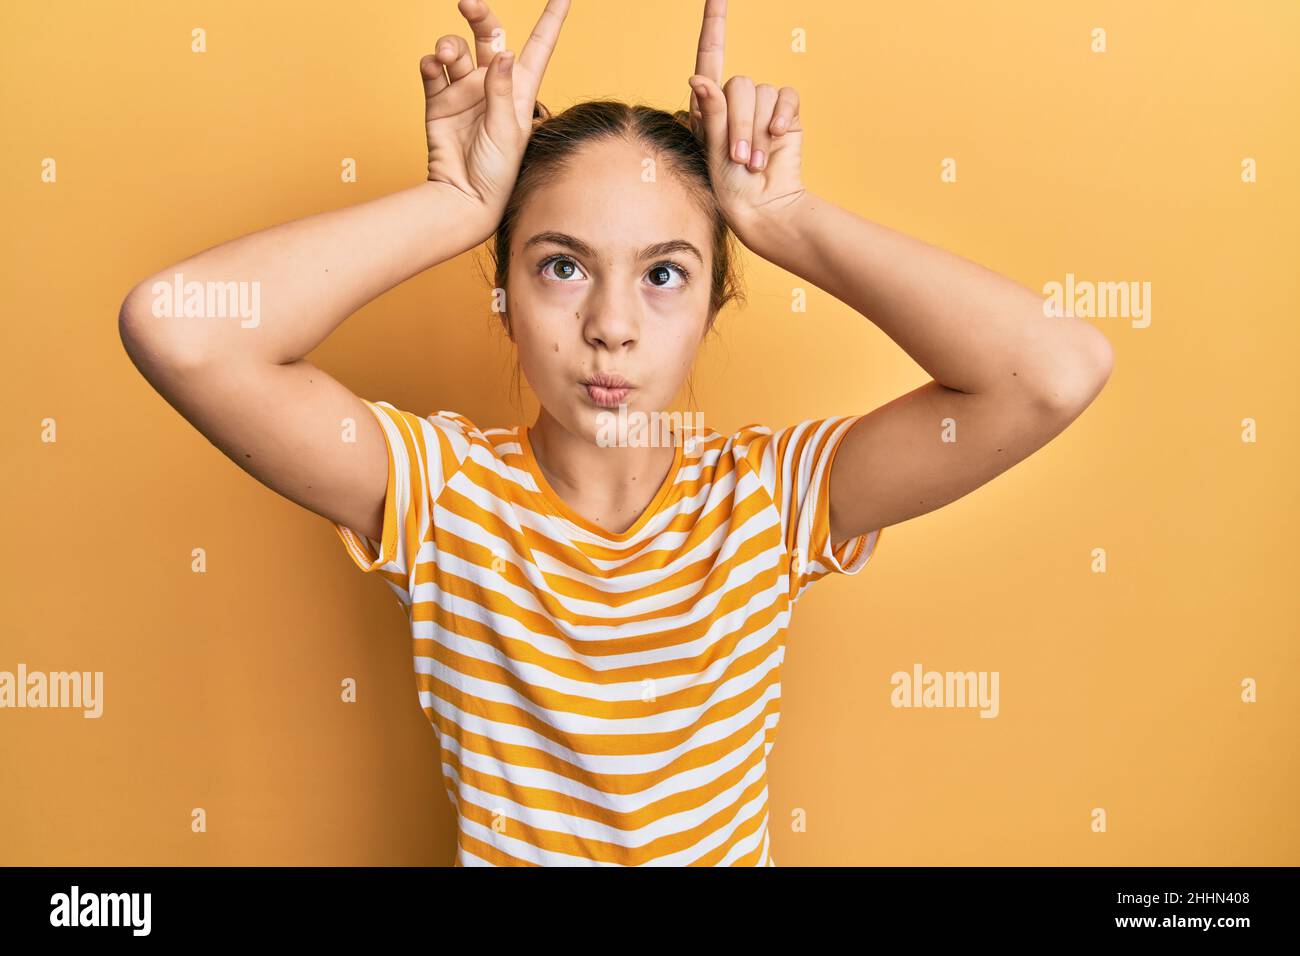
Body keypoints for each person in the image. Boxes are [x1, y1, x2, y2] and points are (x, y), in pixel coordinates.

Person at [117, 0, 1113, 865]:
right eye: (560, 265)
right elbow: (180, 327)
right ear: (502, 290)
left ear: (714, 300)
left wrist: (788, 215)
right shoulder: (441, 493)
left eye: (664, 272)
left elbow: (1055, 371)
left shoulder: (774, 496)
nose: (611, 323)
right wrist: (453, 203)